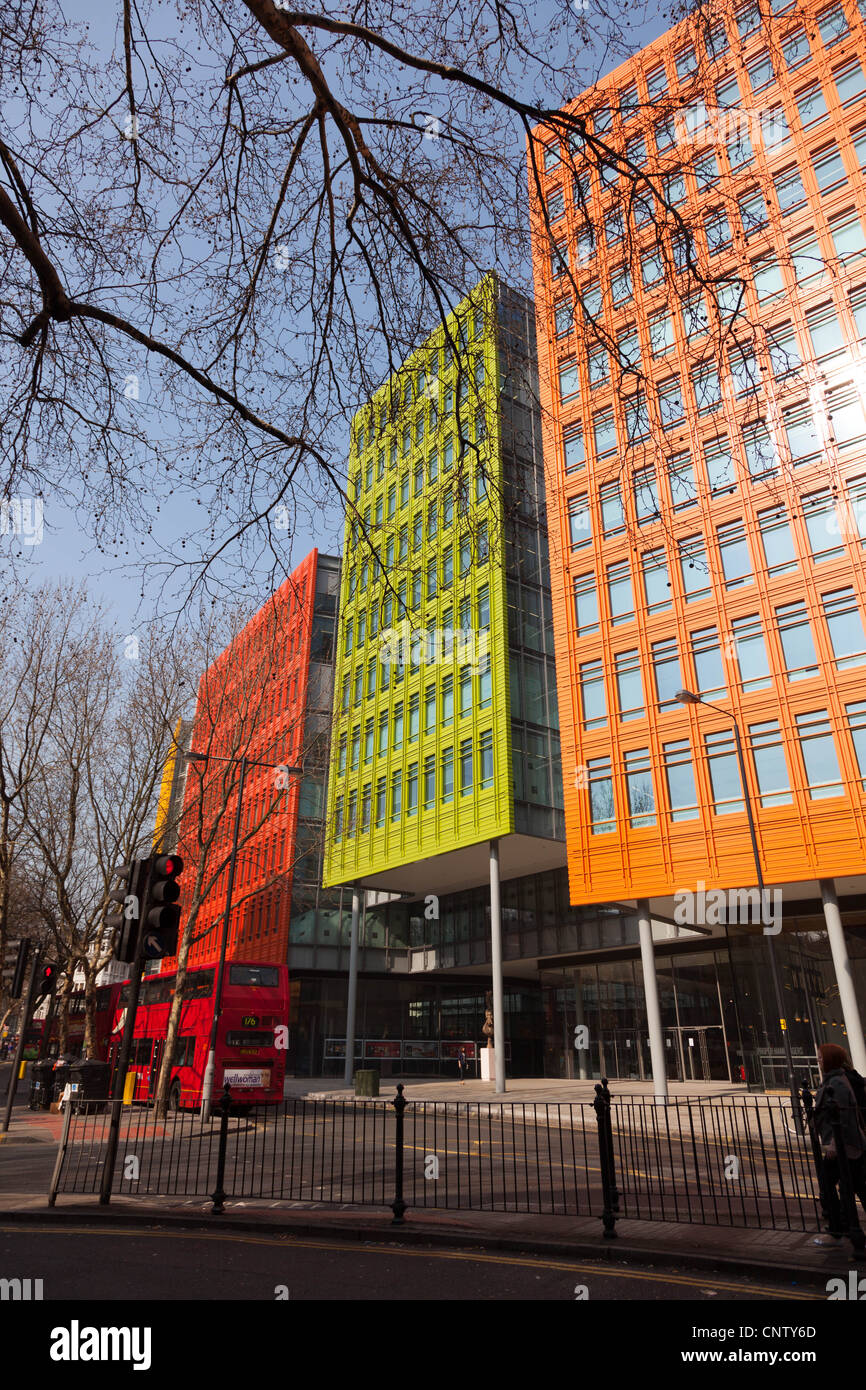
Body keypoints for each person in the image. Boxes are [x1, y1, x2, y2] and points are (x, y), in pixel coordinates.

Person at [811, 1042, 866, 1239]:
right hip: (847, 1145)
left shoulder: (837, 1083)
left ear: (830, 1060)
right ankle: (844, 1227)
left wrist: (834, 1145)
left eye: (820, 1057)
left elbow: (843, 1118)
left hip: (846, 1145)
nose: (818, 1060)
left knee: (829, 1183)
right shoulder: (831, 1080)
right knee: (855, 1185)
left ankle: (840, 1228)